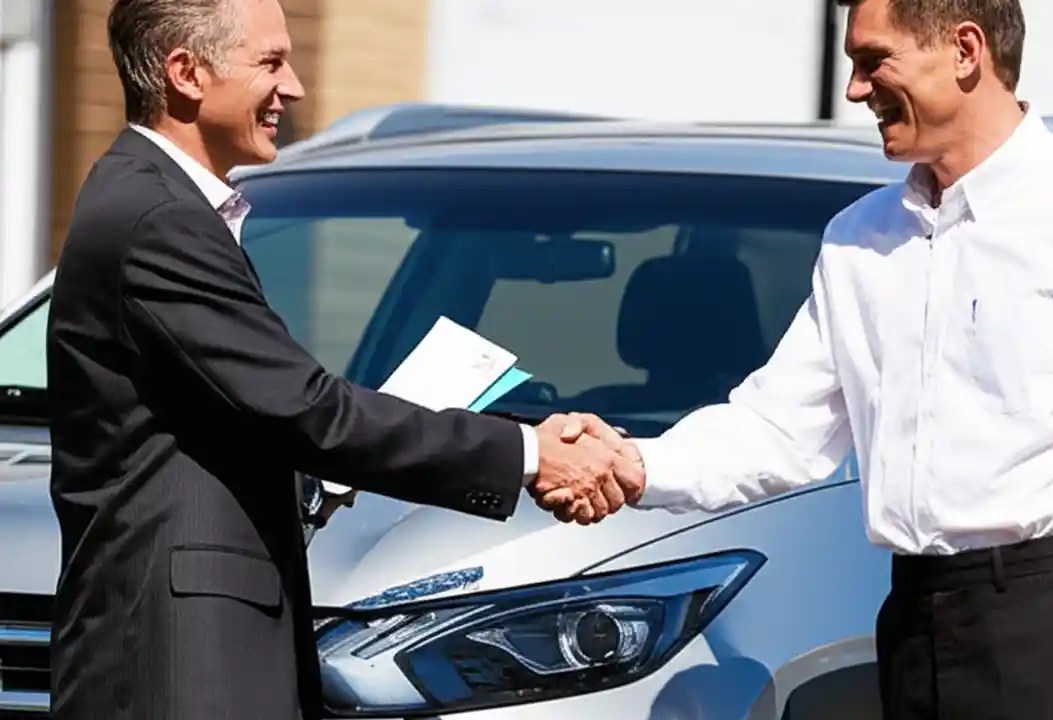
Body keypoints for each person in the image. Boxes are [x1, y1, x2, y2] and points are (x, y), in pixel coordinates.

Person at [558, 1, 1053, 718]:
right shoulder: (859, 239)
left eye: (873, 61)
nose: (856, 91)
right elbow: (778, 430)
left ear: (965, 50)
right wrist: (634, 466)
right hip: (913, 625)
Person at [45, 1, 625, 718]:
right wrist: (531, 454)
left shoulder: (147, 202)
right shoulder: (158, 217)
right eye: (270, 62)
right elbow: (305, 407)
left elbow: (243, 415)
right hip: (181, 663)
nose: (294, 88)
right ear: (186, 73)